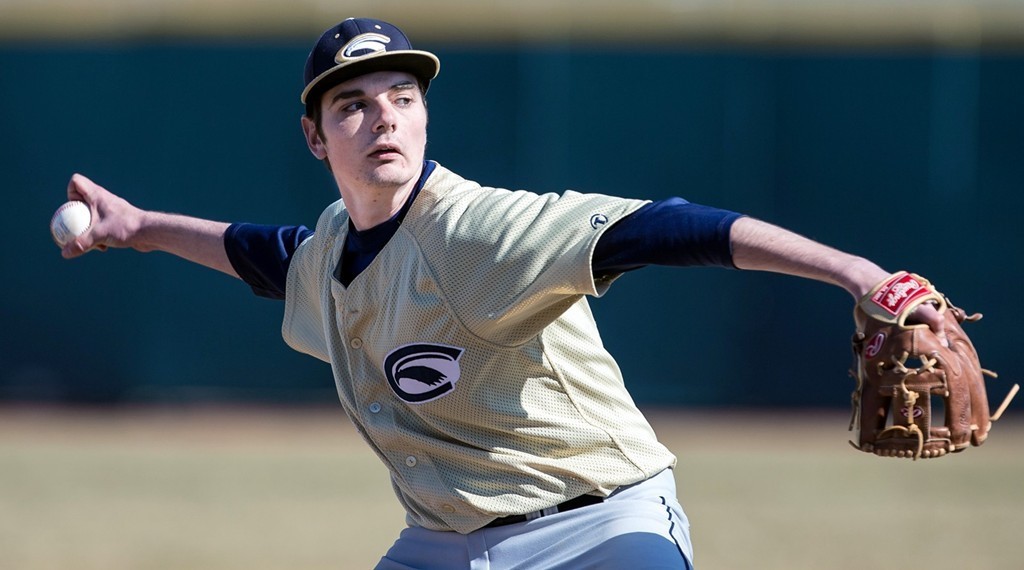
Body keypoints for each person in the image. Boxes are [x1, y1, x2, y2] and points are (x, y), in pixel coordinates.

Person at [60, 17, 945, 570]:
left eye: (401, 96)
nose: (382, 116)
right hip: (441, 545)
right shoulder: (331, 246)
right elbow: (262, 255)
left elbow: (668, 227)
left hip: (597, 529)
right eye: (352, 104)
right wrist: (138, 227)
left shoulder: (481, 231)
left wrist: (859, 274)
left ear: (425, 115)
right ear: (315, 136)